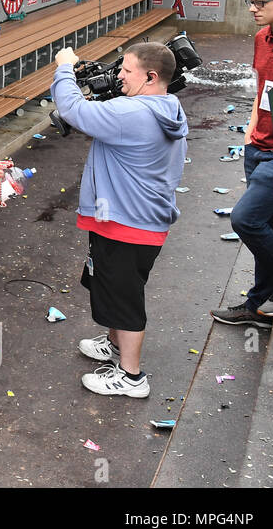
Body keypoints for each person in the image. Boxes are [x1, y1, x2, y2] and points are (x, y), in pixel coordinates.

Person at [52, 43, 188, 398]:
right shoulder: (167, 105)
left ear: (151, 77)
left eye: (127, 71)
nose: (119, 76)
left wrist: (65, 67)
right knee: (109, 286)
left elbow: (71, 109)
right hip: (133, 220)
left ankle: (131, 377)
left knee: (125, 299)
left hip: (129, 224)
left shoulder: (133, 113)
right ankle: (114, 347)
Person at [210, 0, 273, 324]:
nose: (251, 8)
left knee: (246, 219)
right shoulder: (263, 37)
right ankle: (259, 305)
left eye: (259, 2)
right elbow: (262, 88)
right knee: (271, 229)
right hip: (258, 147)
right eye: (250, 0)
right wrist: (249, 133)